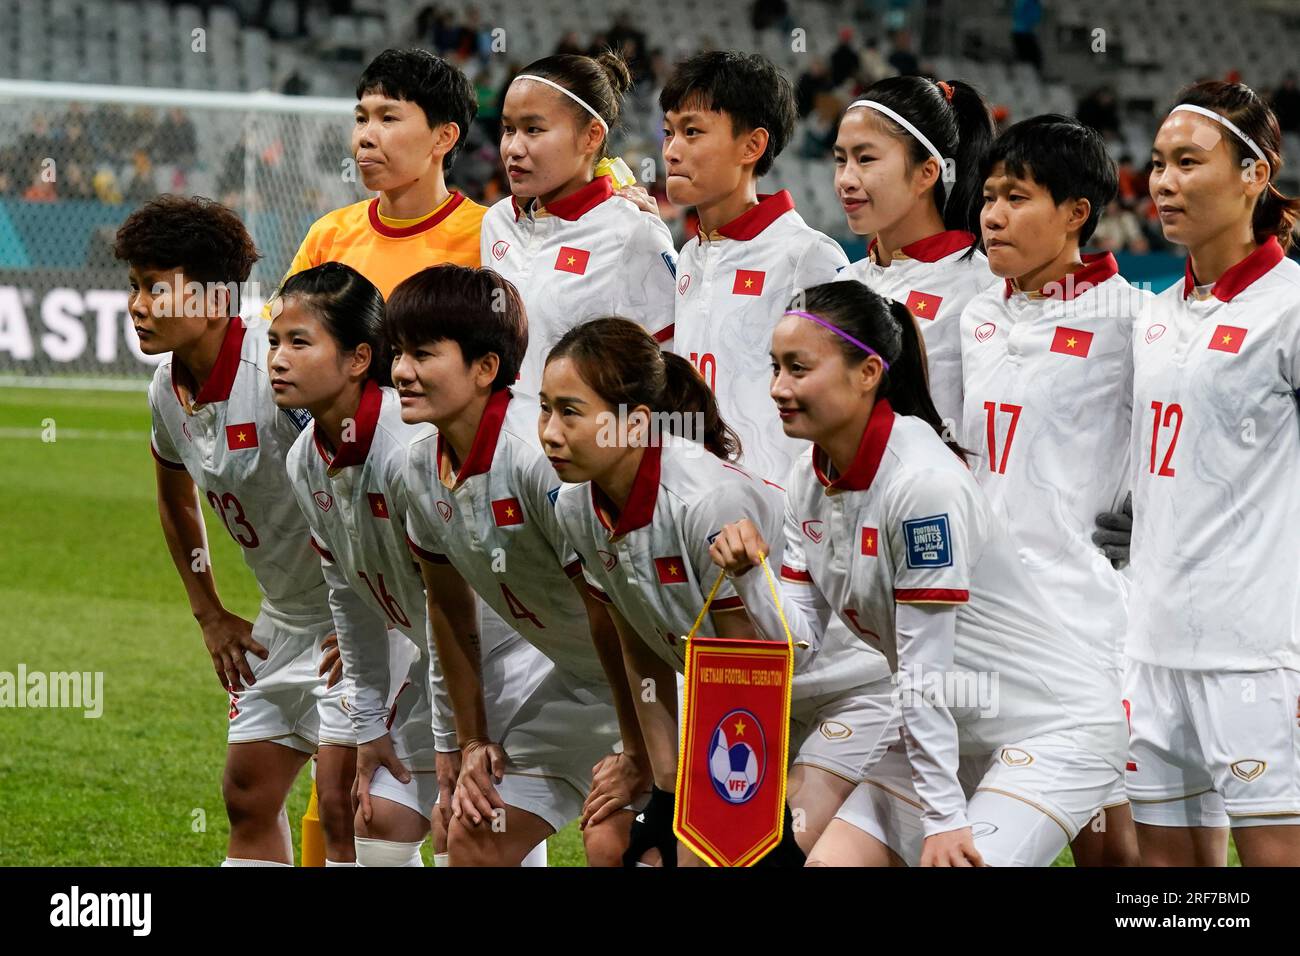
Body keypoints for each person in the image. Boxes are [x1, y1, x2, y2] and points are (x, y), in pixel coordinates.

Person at [710, 281, 1127, 867]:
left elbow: (925, 671)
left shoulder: (922, 485)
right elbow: (798, 648)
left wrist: (944, 819)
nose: (778, 388)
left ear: (868, 373)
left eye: (798, 368)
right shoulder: (810, 477)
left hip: (1051, 729)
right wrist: (752, 578)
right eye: (774, 367)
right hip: (948, 729)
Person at [543, 318, 901, 865]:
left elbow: (746, 658)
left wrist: (722, 811)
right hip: (745, 694)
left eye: (570, 411)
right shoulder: (574, 506)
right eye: (544, 407)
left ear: (635, 424)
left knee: (740, 853)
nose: (548, 431)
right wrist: (664, 787)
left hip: (845, 693)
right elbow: (636, 644)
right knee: (617, 844)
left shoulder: (704, 502)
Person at [116, 196, 355, 865]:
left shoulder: (281, 372)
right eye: (133, 287)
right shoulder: (166, 389)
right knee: (249, 794)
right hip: (284, 620)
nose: (136, 304)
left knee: (353, 808)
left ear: (216, 297)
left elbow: (366, 487)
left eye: (154, 288)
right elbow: (174, 495)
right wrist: (210, 613)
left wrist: (367, 611)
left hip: (359, 618)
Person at [390, 265, 652, 866]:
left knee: (615, 844)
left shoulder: (539, 461)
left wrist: (638, 747)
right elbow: (448, 612)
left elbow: (613, 611)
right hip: (581, 684)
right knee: (475, 832)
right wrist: (469, 741)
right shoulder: (415, 467)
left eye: (422, 354)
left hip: (655, 681)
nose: (401, 371)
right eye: (398, 352)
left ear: (485, 369)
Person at [962, 114, 1147, 865]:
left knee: (1110, 848)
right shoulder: (977, 315)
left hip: (1081, 619)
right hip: (984, 614)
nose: (994, 213)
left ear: (1076, 213)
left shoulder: (1133, 320)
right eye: (989, 195)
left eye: (1017, 196)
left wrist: (1151, 517)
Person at [1128, 80, 1300, 866]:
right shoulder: (1156, 313)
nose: (1162, 182)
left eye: (1188, 162)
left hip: (1256, 657)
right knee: (1170, 888)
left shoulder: (1291, 308)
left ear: (1254, 174)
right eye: (1159, 163)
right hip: (1151, 647)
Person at [269, 262, 446, 866]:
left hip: (501, 657)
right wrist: (370, 724)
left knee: (471, 823)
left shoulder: (409, 450)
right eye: (273, 341)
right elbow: (346, 595)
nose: (278, 359)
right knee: (381, 820)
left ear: (357, 358)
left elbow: (465, 605)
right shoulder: (304, 459)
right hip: (437, 654)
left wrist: (459, 736)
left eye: (299, 342)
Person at [662, 50, 851, 484]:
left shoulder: (809, 257)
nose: (671, 151)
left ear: (752, 146)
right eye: (669, 131)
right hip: (692, 506)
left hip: (775, 519)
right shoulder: (689, 254)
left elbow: (837, 412)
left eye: (692, 132)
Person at [483, 50, 677, 435]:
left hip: (582, 470)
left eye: (533, 130)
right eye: (508, 129)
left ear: (591, 136)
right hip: (497, 463)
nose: (513, 148)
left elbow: (667, 377)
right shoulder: (497, 222)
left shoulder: (633, 232)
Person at [833, 75, 997, 434]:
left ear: (927, 172)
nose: (845, 178)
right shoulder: (843, 282)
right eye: (840, 159)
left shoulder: (985, 290)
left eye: (865, 158)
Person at [275, 48, 486, 300]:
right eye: (361, 119)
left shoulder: (489, 238)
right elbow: (279, 329)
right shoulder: (328, 235)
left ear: (443, 137)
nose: (365, 137)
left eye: (388, 118)